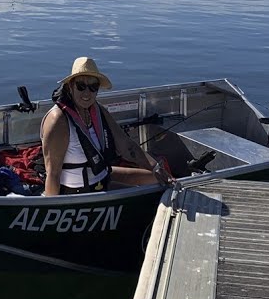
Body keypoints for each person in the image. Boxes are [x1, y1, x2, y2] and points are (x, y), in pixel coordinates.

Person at [40, 57, 173, 196]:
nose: (87, 93)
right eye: (81, 86)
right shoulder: (58, 120)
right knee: (152, 194)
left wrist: (156, 167)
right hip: (79, 192)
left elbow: (128, 147)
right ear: (70, 86)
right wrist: (53, 207)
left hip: (103, 178)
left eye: (93, 87)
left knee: (157, 179)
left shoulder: (98, 111)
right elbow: (53, 174)